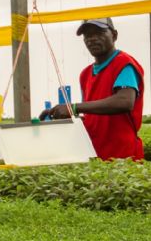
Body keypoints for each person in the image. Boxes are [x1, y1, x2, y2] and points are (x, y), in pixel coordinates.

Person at [40, 18, 144, 161]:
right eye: (87, 35)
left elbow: (125, 101)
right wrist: (65, 115)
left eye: (99, 33)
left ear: (114, 35)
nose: (92, 39)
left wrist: (74, 107)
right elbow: (92, 115)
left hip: (123, 156)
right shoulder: (85, 74)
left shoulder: (124, 64)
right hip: (95, 155)